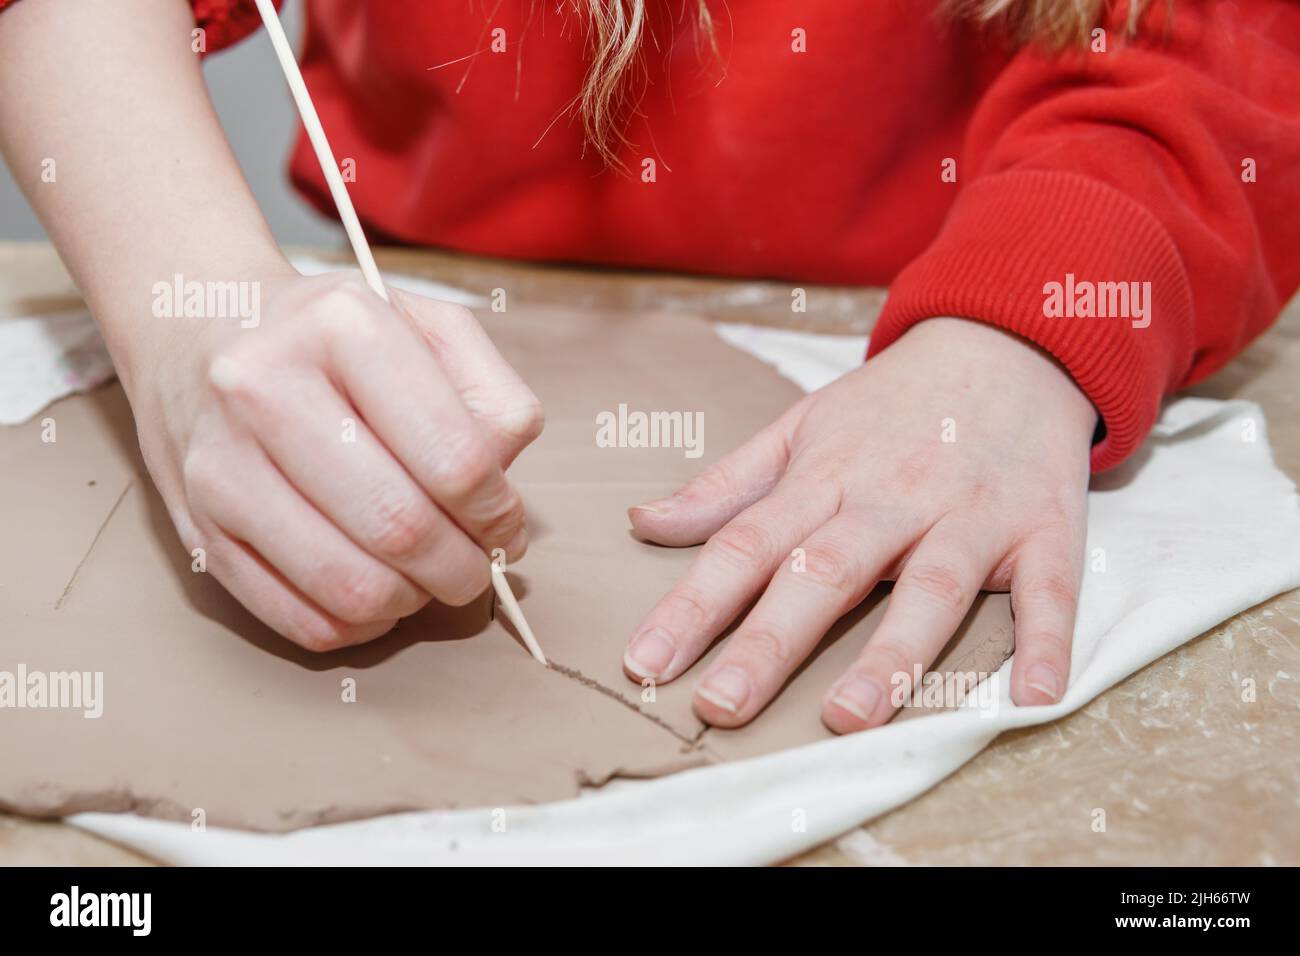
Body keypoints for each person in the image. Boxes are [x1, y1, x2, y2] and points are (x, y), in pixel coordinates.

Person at [1, 0, 1296, 734]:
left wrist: (1019, 326)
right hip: (424, 279)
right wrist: (192, 310)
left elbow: (1225, 46)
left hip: (945, 312)